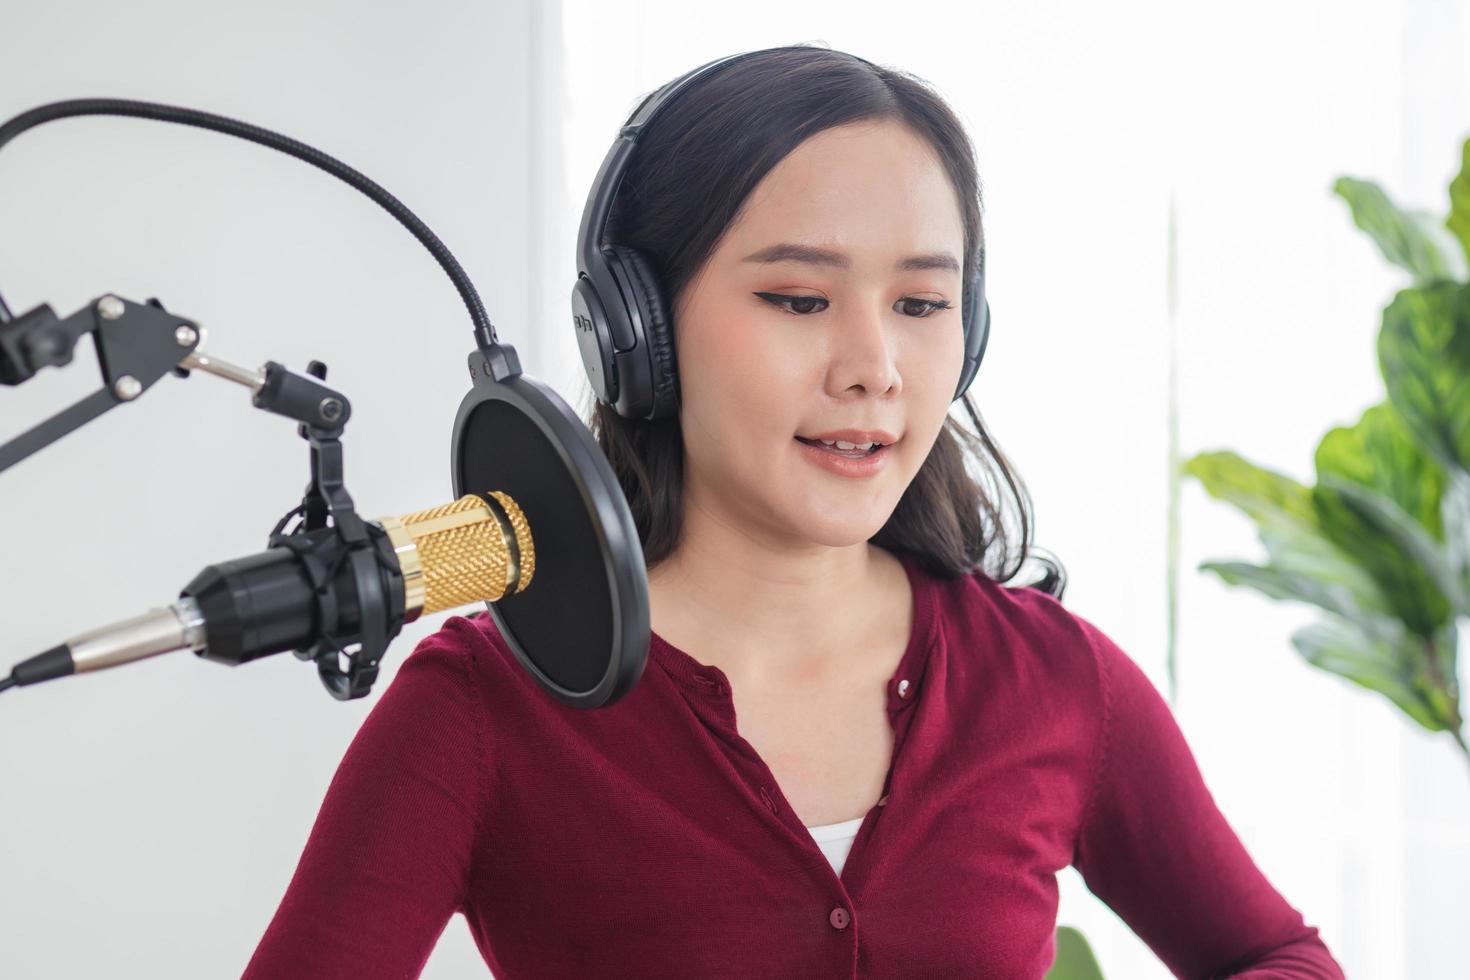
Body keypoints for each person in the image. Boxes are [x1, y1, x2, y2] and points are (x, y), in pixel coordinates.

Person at [242, 44, 1344, 978]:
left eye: (921, 303)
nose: (874, 366)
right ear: (640, 334)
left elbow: (1286, 957)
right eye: (799, 299)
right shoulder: (484, 702)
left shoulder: (1053, 679)